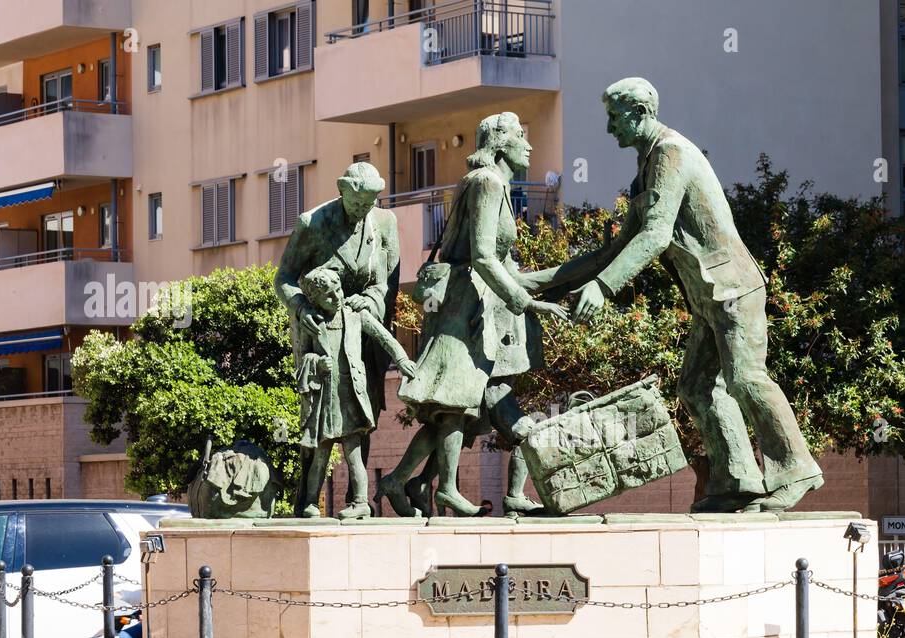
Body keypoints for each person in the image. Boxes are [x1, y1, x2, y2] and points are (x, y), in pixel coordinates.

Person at [532, 78, 824, 512]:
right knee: (697, 386)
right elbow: (613, 250)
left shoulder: (672, 153)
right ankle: (737, 481)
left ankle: (797, 468)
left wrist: (604, 286)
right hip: (707, 298)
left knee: (745, 378)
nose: (610, 128)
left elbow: (654, 235)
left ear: (640, 113)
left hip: (733, 288)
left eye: (614, 117)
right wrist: (533, 281)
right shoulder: (647, 167)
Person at [380, 112, 567, 517]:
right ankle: (442, 487)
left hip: (479, 306)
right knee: (456, 405)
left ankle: (404, 481)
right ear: (501, 144)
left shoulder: (495, 185)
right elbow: (483, 257)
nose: (529, 146)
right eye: (522, 137)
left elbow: (504, 264)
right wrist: (527, 301)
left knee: (457, 410)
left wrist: (562, 279)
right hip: (464, 308)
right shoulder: (486, 182)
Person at [275, 162, 414, 518]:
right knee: (317, 422)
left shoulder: (384, 223)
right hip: (317, 328)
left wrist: (369, 303)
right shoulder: (313, 223)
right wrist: (301, 307)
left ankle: (358, 499)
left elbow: (387, 282)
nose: (363, 211)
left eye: (370, 204)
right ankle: (306, 501)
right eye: (357, 204)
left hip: (361, 326)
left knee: (360, 417)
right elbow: (285, 278)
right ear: (343, 192)